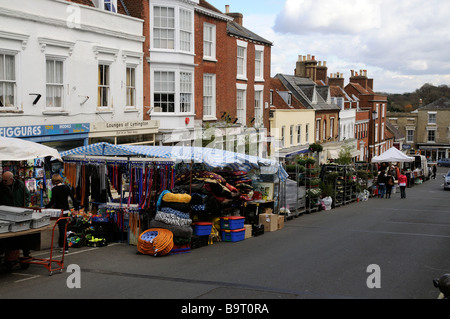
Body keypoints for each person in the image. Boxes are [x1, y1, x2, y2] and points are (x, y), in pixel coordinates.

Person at [45, 174, 78, 253]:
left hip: (59, 211)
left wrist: (46, 207)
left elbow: (52, 201)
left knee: (62, 229)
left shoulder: (54, 189)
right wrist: (76, 208)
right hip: (66, 211)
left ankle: (65, 247)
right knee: (63, 228)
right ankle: (61, 245)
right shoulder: (66, 187)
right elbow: (73, 198)